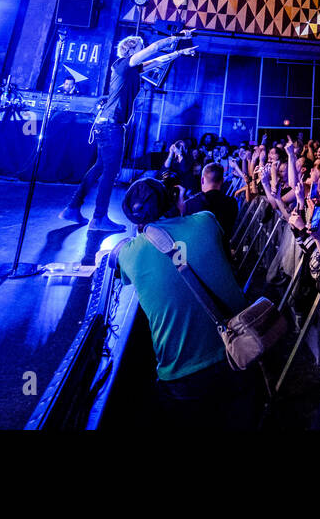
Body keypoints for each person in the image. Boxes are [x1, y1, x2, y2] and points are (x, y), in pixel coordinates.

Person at [116, 178, 256, 428]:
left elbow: (119, 267)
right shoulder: (206, 221)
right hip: (239, 354)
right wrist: (179, 207)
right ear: (170, 199)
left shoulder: (129, 253)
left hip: (182, 378)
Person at [62, 30, 193, 231]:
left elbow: (157, 61)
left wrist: (179, 54)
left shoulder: (130, 69)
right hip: (111, 126)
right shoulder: (124, 64)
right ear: (131, 49)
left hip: (107, 125)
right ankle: (98, 218)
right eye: (140, 47)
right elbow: (154, 49)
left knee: (99, 167)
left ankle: (72, 207)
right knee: (109, 171)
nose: (143, 50)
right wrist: (178, 37)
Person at [181, 161, 237, 238]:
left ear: (202, 180)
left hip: (197, 249)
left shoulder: (189, 204)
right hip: (222, 249)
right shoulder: (232, 203)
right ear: (222, 181)